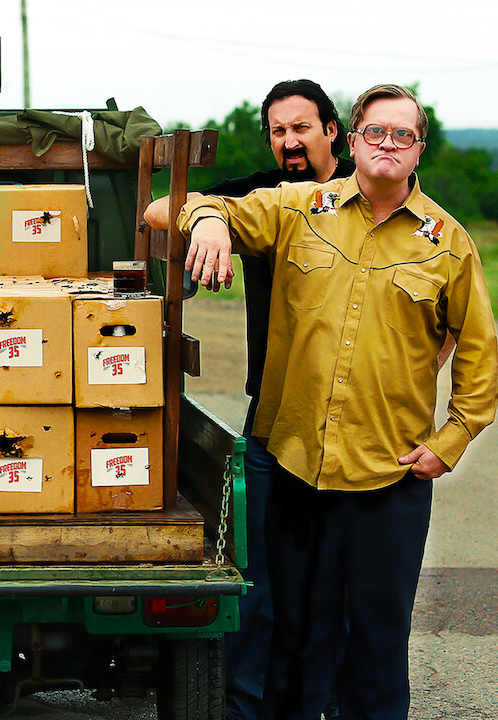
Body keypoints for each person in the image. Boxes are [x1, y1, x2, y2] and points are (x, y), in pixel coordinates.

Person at [179, 84, 497, 720]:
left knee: (378, 645)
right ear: (353, 142)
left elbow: (481, 355)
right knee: (297, 638)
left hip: (390, 476)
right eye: (375, 132)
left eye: (401, 135)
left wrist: (451, 441)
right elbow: (205, 208)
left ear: (417, 151)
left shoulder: (449, 243)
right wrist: (211, 219)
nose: (387, 143)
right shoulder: (300, 208)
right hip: (299, 470)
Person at [147, 79, 355, 720]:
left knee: (340, 585)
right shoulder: (267, 195)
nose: (290, 142)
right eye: (278, 131)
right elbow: (158, 209)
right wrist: (206, 217)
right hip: (274, 420)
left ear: (332, 132)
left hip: (356, 430)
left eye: (302, 128)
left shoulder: (367, 195)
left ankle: (328, 703)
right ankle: (247, 708)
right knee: (257, 580)